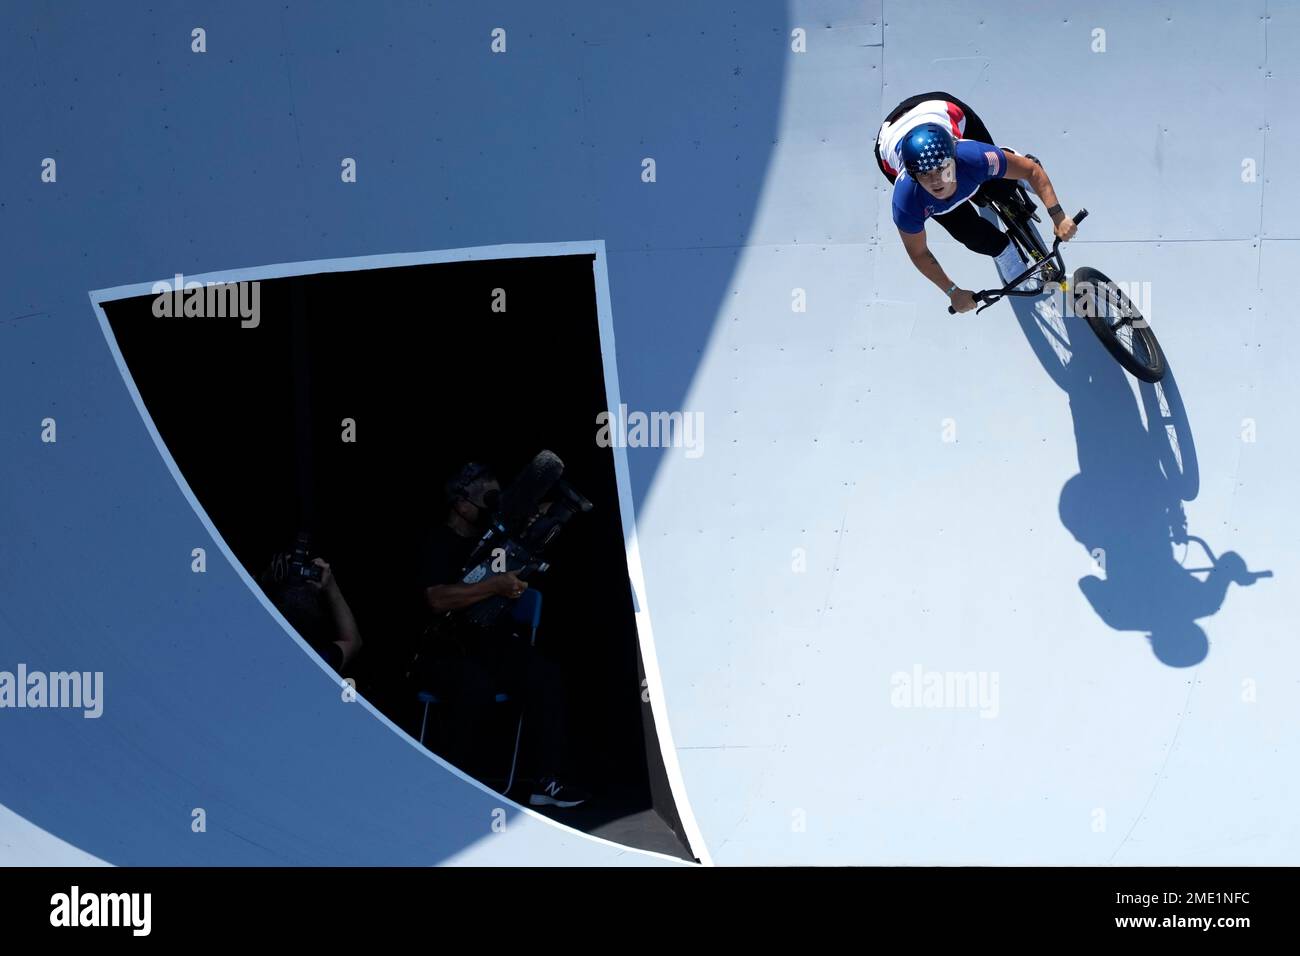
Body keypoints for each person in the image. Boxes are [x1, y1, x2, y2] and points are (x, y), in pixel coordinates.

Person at [416, 461, 589, 808]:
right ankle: (457, 784)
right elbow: (436, 599)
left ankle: (547, 780)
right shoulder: (437, 542)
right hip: (441, 646)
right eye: (485, 498)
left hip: (486, 639)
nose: (491, 506)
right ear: (461, 503)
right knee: (474, 687)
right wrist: (493, 585)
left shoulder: (497, 538)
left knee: (543, 675)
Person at [876, 91, 1078, 314]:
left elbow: (1032, 171)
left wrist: (1058, 215)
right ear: (913, 176)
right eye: (924, 175)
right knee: (967, 231)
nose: (935, 182)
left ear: (954, 160)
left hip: (940, 108)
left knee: (1003, 187)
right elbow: (919, 252)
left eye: (942, 169)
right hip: (890, 137)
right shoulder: (907, 201)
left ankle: (1010, 157)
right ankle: (1002, 250)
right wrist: (952, 291)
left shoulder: (974, 157)